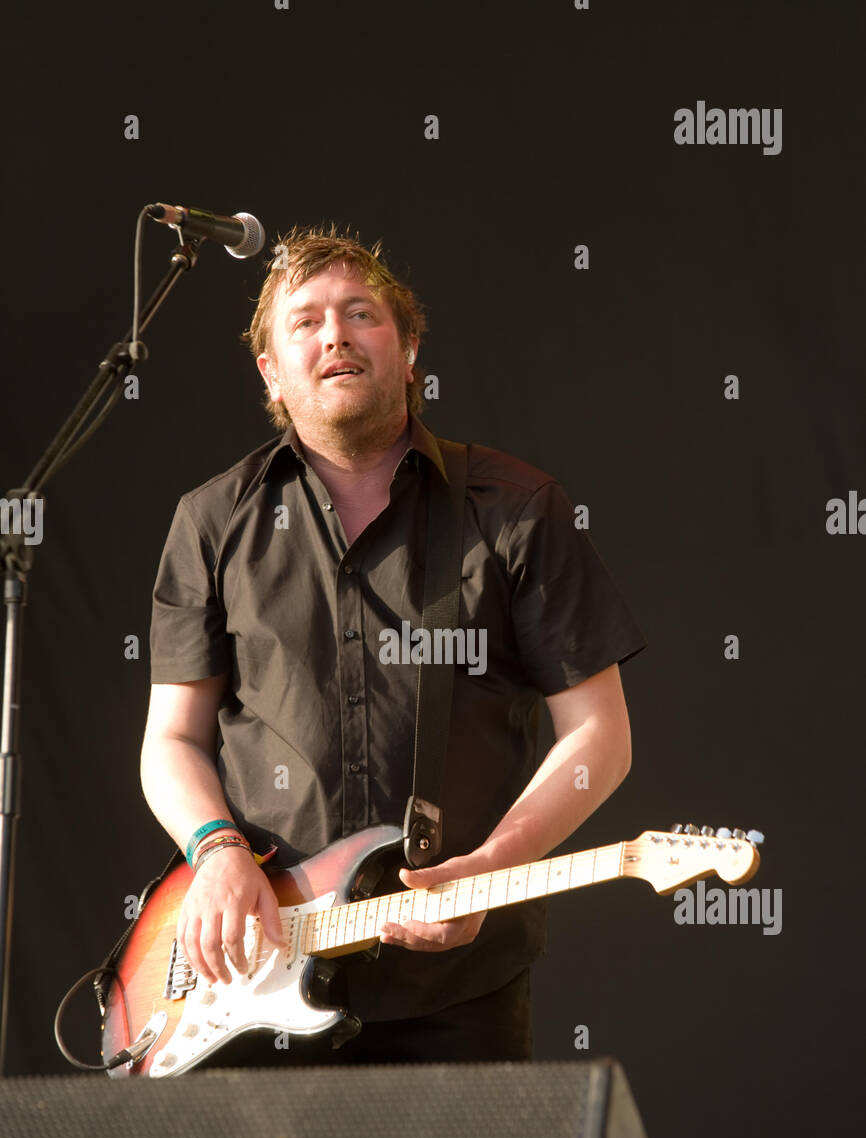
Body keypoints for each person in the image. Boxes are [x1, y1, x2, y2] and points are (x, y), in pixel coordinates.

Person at [140, 224, 647, 1065]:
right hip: (255, 982)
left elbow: (602, 735)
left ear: (409, 349)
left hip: (459, 992)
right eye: (304, 322)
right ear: (271, 371)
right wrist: (217, 851)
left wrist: (492, 865)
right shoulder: (211, 521)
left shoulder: (516, 507)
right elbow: (172, 739)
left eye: (360, 313)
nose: (334, 333)